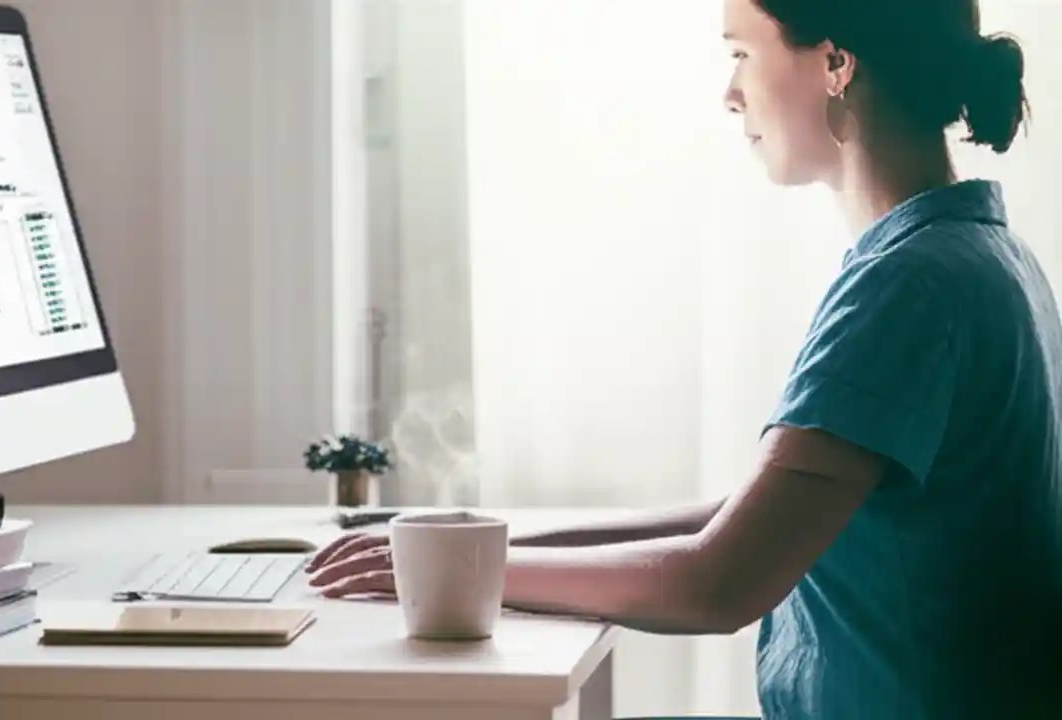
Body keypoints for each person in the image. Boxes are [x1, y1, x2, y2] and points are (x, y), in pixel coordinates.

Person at [305, 0, 1062, 717]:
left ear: (835, 63)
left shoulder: (907, 286)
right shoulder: (982, 255)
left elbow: (720, 581)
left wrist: (463, 578)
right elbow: (757, 517)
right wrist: (487, 544)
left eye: (741, 53)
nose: (731, 95)